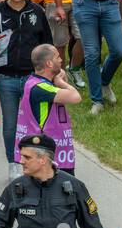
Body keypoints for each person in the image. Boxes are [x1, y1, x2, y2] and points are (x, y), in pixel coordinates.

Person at [0, 0, 57, 177]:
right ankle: (14, 162)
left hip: (34, 79)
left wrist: (52, 74)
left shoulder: (36, 11)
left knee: (39, 122)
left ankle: (41, 163)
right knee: (11, 125)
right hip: (7, 79)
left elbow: (48, 45)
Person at [11, 44, 82, 176]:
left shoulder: (33, 81)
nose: (61, 60)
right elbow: (75, 97)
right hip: (48, 154)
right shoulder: (41, 88)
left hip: (47, 152)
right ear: (49, 63)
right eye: (57, 57)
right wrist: (60, 82)